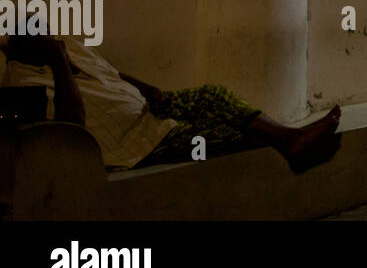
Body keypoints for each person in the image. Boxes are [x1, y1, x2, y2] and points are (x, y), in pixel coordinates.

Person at [0, 33, 341, 173]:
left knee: (214, 94)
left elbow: (110, 73)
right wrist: (57, 60)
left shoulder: (68, 48)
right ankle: (292, 142)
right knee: (216, 134)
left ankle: (291, 139)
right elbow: (70, 125)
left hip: (147, 111)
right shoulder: (25, 81)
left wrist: (151, 89)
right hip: (134, 144)